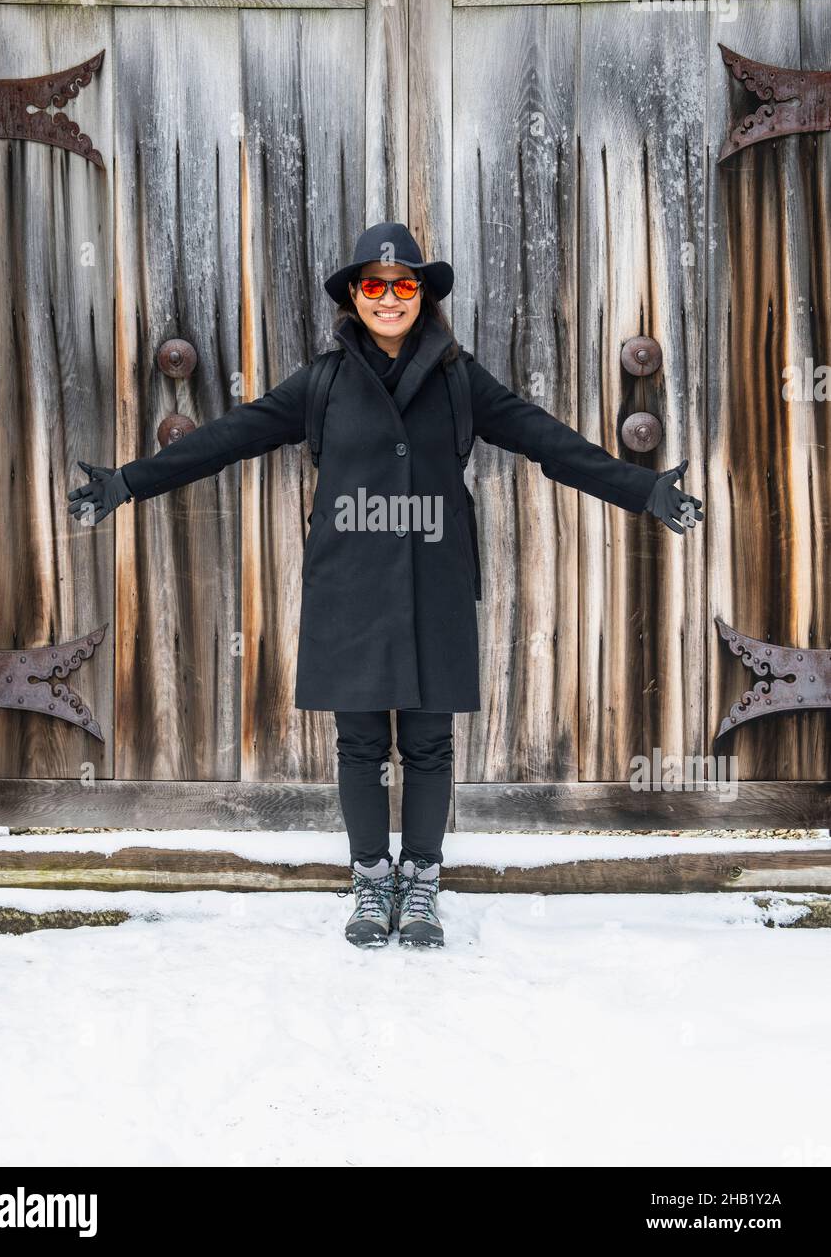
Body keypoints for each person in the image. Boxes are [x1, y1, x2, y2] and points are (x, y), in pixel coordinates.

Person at [67, 221, 703, 950]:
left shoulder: (461, 379)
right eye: (375, 285)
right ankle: (371, 881)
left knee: (429, 745)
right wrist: (127, 483)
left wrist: (643, 491)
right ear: (355, 298)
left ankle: (421, 883)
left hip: (435, 582)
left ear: (424, 295)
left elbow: (546, 440)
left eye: (404, 286)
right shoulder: (323, 382)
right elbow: (228, 437)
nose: (390, 297)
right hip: (349, 589)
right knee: (359, 744)